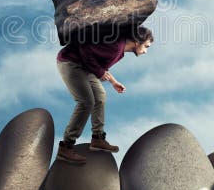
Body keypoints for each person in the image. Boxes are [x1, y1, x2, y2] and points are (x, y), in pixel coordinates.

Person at [55, 25, 153, 165]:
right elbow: (85, 48)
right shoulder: (115, 46)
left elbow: (101, 65)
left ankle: (97, 138)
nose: (146, 51)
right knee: (86, 102)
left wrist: (113, 82)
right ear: (137, 42)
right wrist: (99, 73)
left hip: (86, 67)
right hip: (71, 62)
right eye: (146, 46)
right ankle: (66, 146)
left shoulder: (120, 51)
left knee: (100, 97)